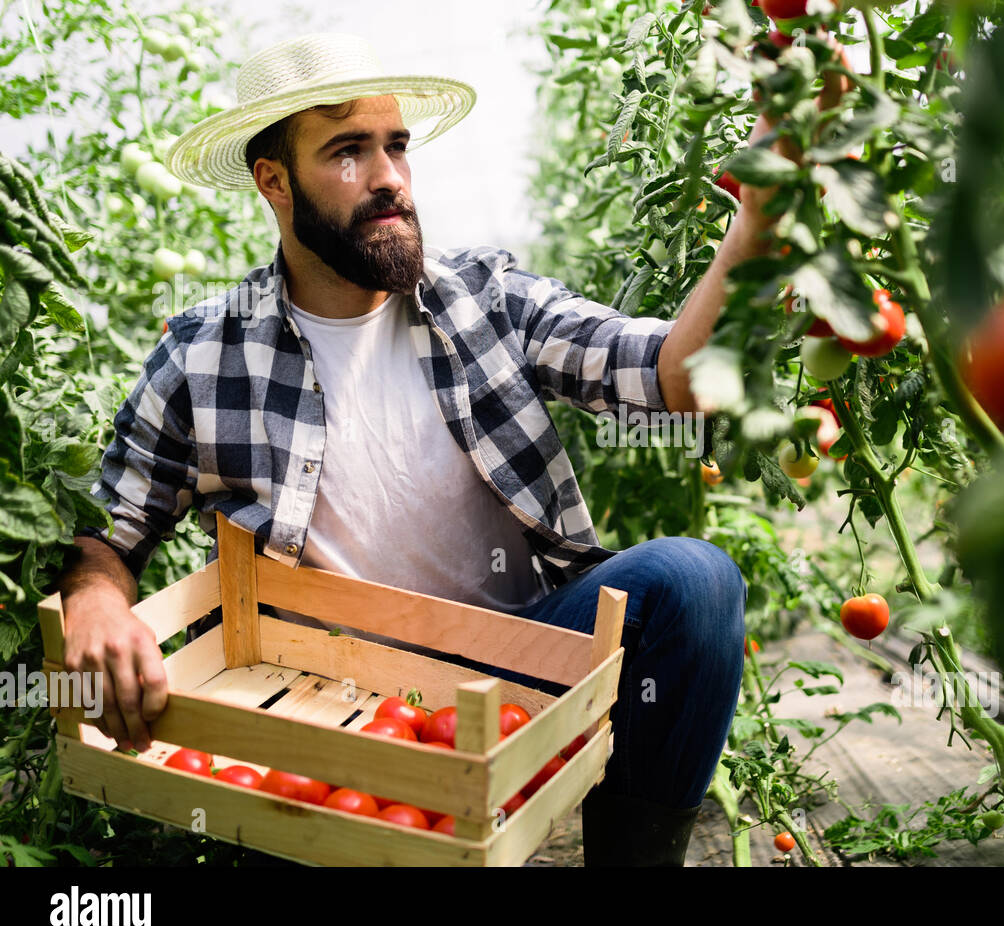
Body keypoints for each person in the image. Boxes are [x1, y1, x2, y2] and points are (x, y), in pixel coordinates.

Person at [55, 32, 847, 866]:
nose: (391, 175)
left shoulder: (484, 299)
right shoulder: (204, 356)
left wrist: (762, 206)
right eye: (348, 152)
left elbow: (673, 376)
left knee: (694, 581)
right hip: (337, 703)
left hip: (518, 665)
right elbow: (112, 532)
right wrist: (97, 602)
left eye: (396, 145)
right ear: (274, 181)